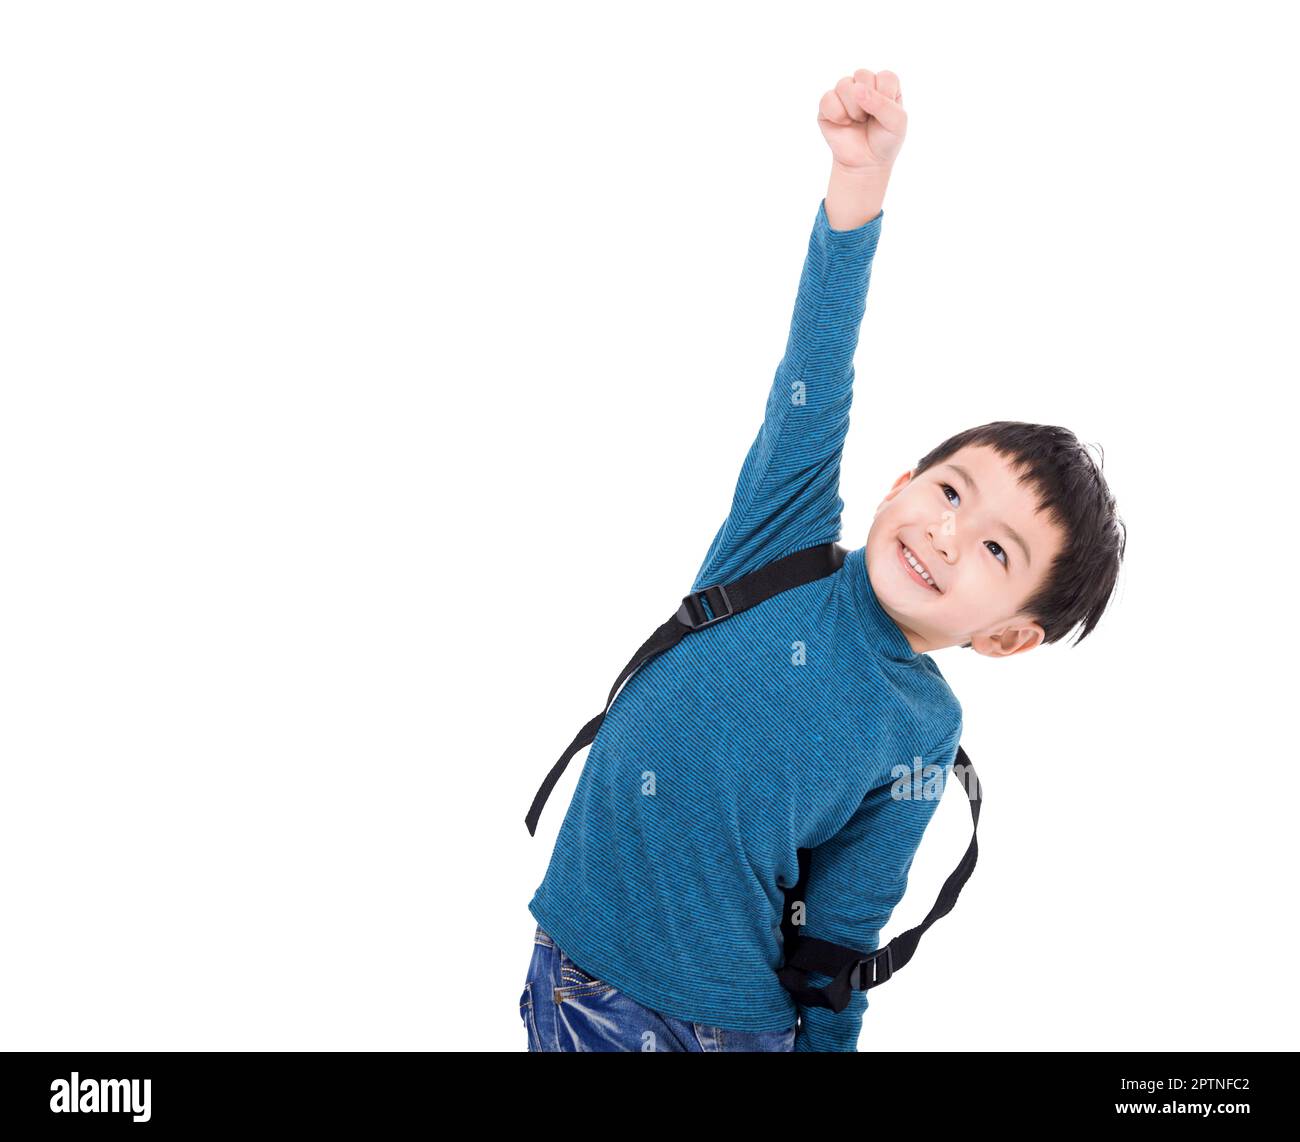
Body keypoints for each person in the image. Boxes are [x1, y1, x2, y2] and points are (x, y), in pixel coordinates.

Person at [521, 67, 1125, 1052]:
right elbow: (816, 357)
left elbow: (845, 932)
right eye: (948, 490)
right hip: (572, 966)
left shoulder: (922, 731)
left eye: (993, 548)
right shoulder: (783, 536)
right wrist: (858, 184)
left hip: (722, 1024)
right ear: (899, 482)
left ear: (1009, 633)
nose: (944, 532)